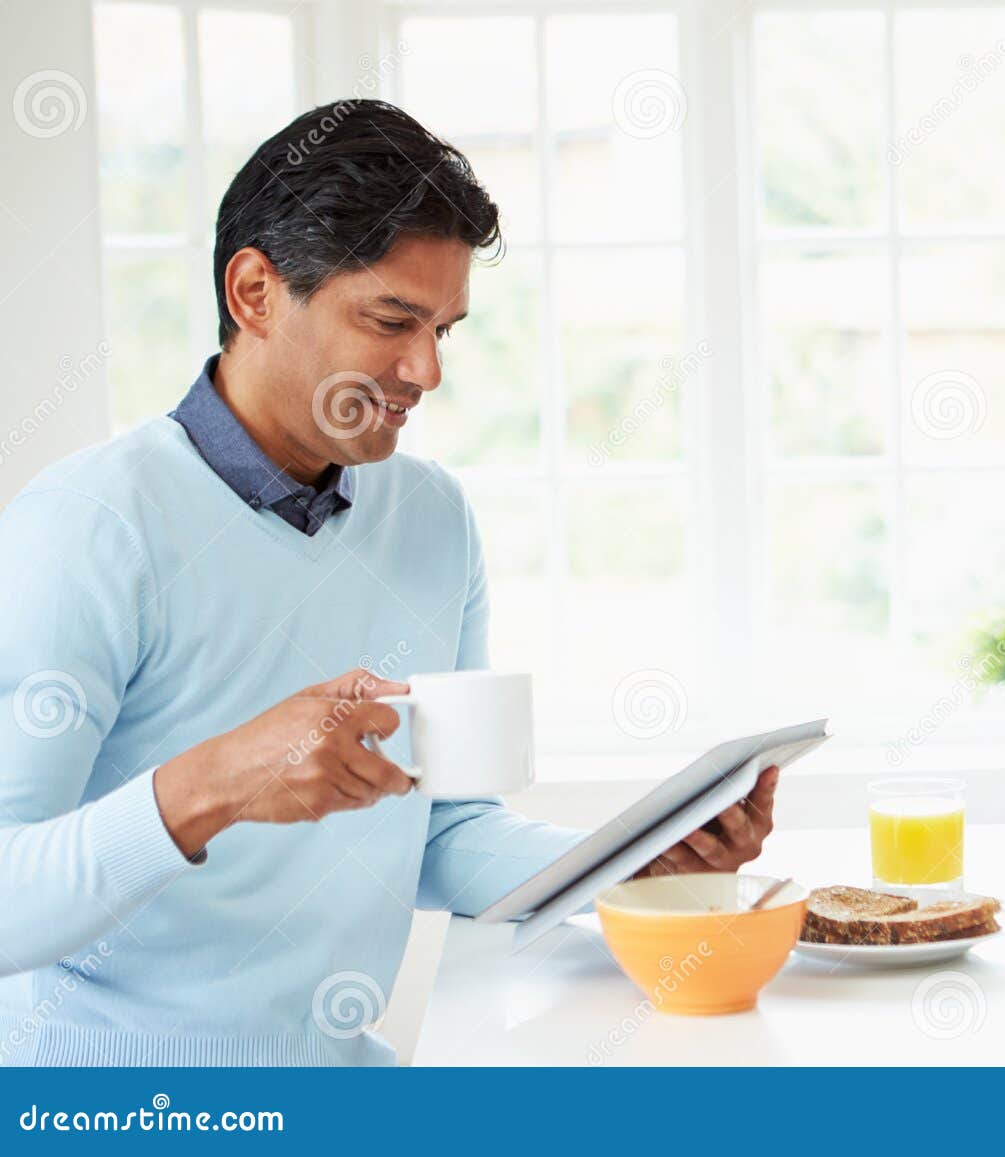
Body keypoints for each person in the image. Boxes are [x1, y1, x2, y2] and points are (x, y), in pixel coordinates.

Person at [0, 100, 779, 1066]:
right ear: (254, 292)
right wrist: (217, 782)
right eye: (391, 320)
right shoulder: (85, 528)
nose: (427, 370)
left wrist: (632, 860)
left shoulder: (431, 517)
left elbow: (439, 827)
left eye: (444, 328)